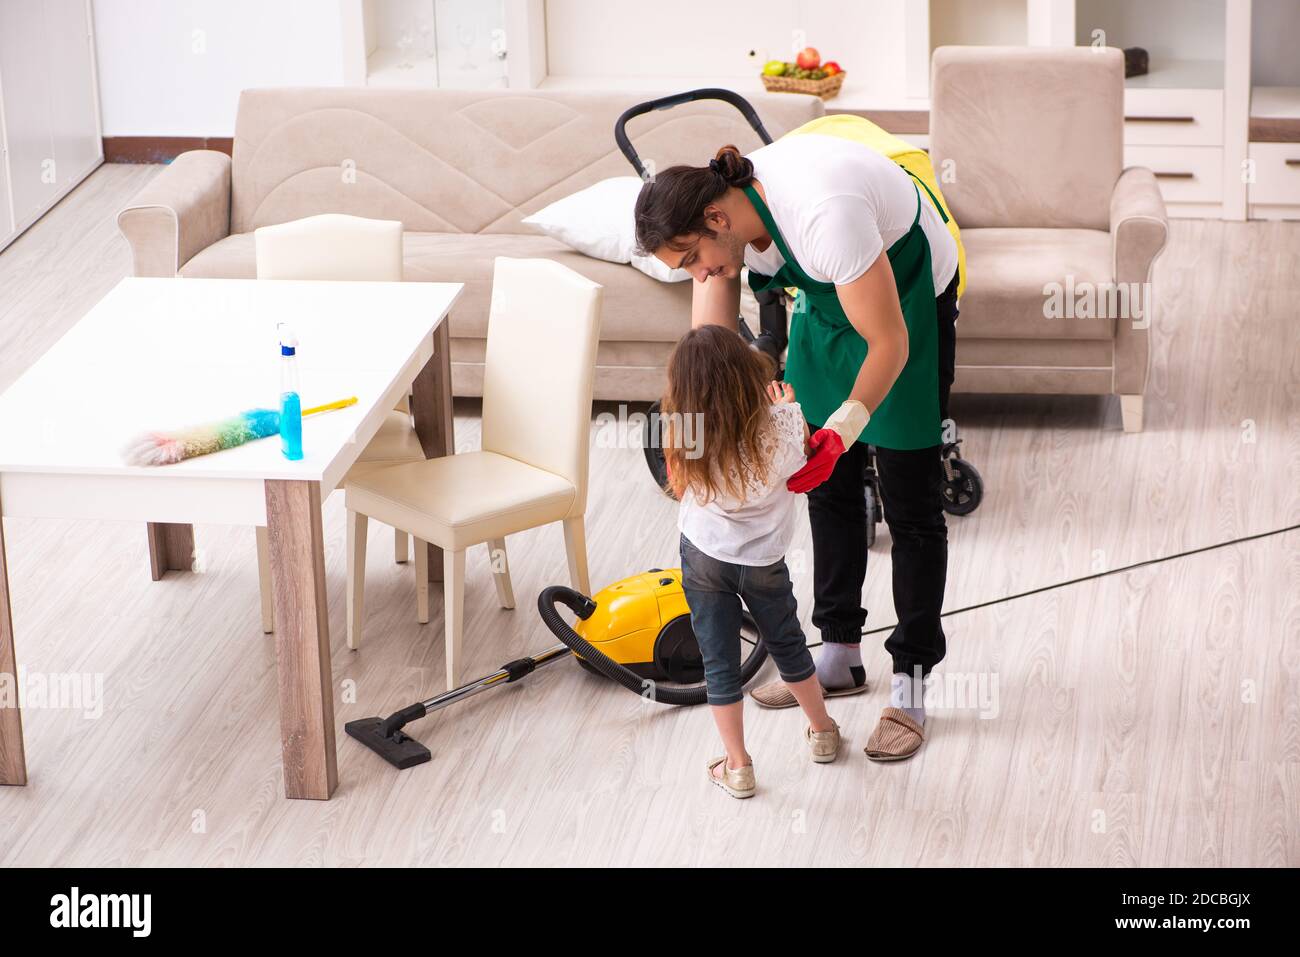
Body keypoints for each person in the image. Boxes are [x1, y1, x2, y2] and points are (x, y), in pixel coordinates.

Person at [635, 130, 960, 761]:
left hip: (908, 295)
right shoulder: (726, 237)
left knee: (910, 501)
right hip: (828, 298)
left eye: (694, 260)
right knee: (827, 489)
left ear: (716, 217)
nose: (700, 275)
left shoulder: (823, 215)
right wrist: (698, 434)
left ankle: (911, 685)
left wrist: (843, 429)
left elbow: (888, 343)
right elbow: (709, 354)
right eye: (687, 271)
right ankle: (837, 653)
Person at [662, 324, 840, 799]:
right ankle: (821, 731)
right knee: (787, 643)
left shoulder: (686, 434)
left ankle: (737, 766)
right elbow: (802, 459)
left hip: (704, 555)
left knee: (720, 663)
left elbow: (680, 486)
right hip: (764, 560)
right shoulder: (781, 424)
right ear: (745, 371)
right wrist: (787, 408)